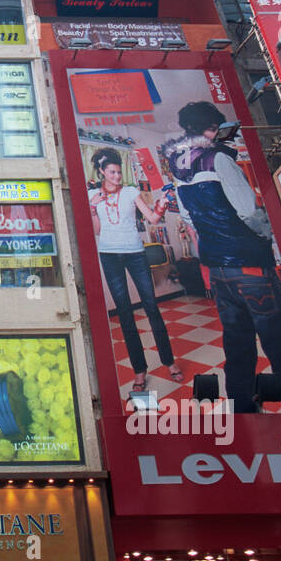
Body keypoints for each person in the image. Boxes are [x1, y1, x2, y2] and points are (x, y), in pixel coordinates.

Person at [159, 101, 281, 413]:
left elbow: (189, 218)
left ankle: (242, 406)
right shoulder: (218, 158)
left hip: (218, 269)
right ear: (211, 129)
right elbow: (247, 209)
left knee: (237, 342)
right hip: (250, 265)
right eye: (216, 128)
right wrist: (266, 235)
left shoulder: (177, 168)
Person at [88, 149, 180, 391]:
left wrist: (161, 206)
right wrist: (93, 207)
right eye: (112, 172)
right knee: (125, 315)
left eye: (119, 171)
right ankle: (139, 372)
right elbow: (98, 231)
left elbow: (151, 218)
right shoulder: (92, 195)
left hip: (136, 254)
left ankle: (169, 362)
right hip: (109, 256)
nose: (117, 176)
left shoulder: (131, 192)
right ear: (102, 172)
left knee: (152, 307)